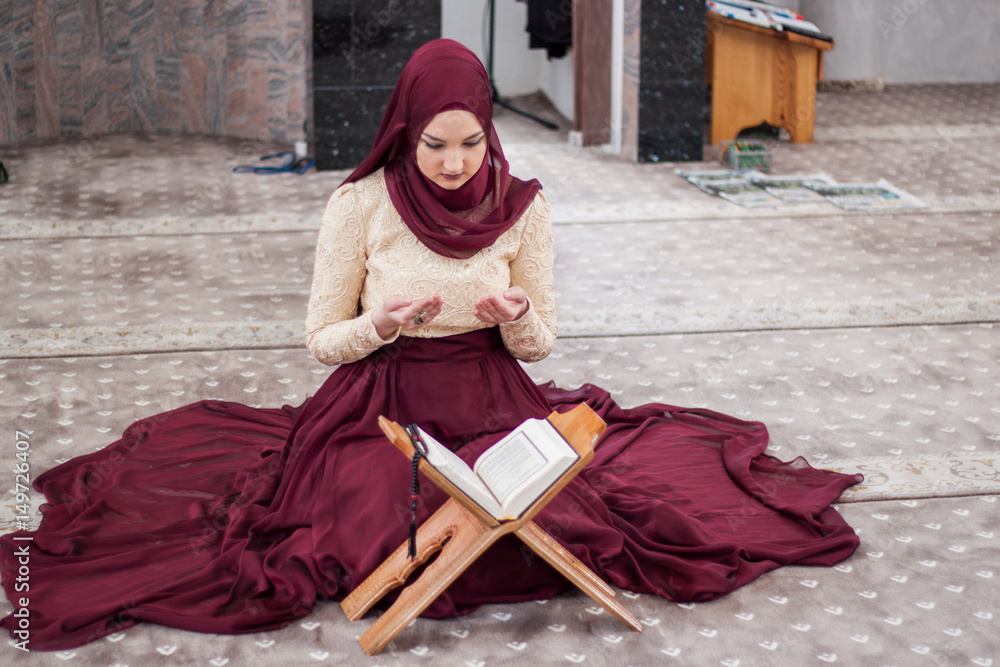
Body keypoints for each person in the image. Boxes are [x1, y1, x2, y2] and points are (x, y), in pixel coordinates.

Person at [0, 39, 862, 651]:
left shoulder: (523, 205)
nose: (453, 164)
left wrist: (514, 312)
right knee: (378, 517)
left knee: (559, 518)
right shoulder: (361, 204)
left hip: (491, 398)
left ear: (491, 131)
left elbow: (540, 341)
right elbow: (319, 340)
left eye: (471, 143)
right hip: (379, 406)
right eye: (434, 145)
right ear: (405, 133)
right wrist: (378, 326)